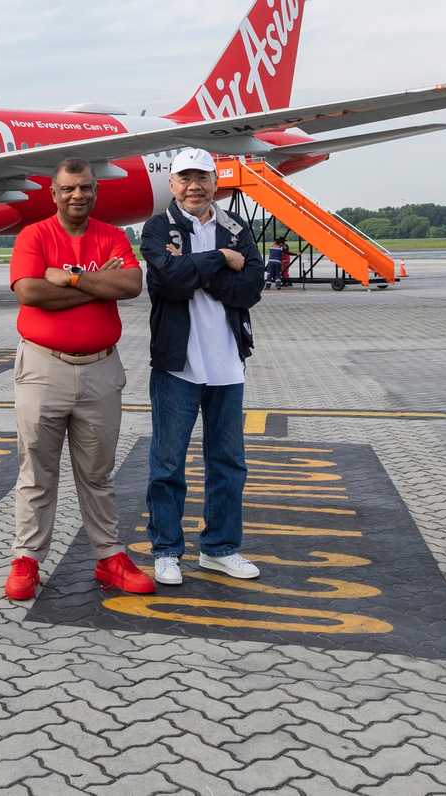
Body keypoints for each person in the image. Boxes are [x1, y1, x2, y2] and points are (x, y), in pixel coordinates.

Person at [3, 157, 152, 601]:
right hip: (43, 368)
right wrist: (95, 282)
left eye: (85, 187)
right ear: (53, 193)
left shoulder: (112, 234)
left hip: (101, 370)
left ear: (95, 191)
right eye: (68, 188)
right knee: (36, 472)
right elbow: (29, 291)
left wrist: (68, 278)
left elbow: (130, 285)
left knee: (98, 473)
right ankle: (26, 560)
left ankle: (110, 558)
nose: (78, 195)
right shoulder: (35, 234)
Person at [139, 148, 265, 587]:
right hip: (178, 364)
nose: (194, 186)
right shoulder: (157, 227)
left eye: (202, 177)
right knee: (168, 463)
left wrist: (193, 268)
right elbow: (168, 283)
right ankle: (167, 550)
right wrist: (221, 261)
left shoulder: (235, 226)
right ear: (171, 185)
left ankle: (220, 548)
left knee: (228, 462)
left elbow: (250, 288)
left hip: (227, 364)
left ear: (216, 182)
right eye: (185, 178)